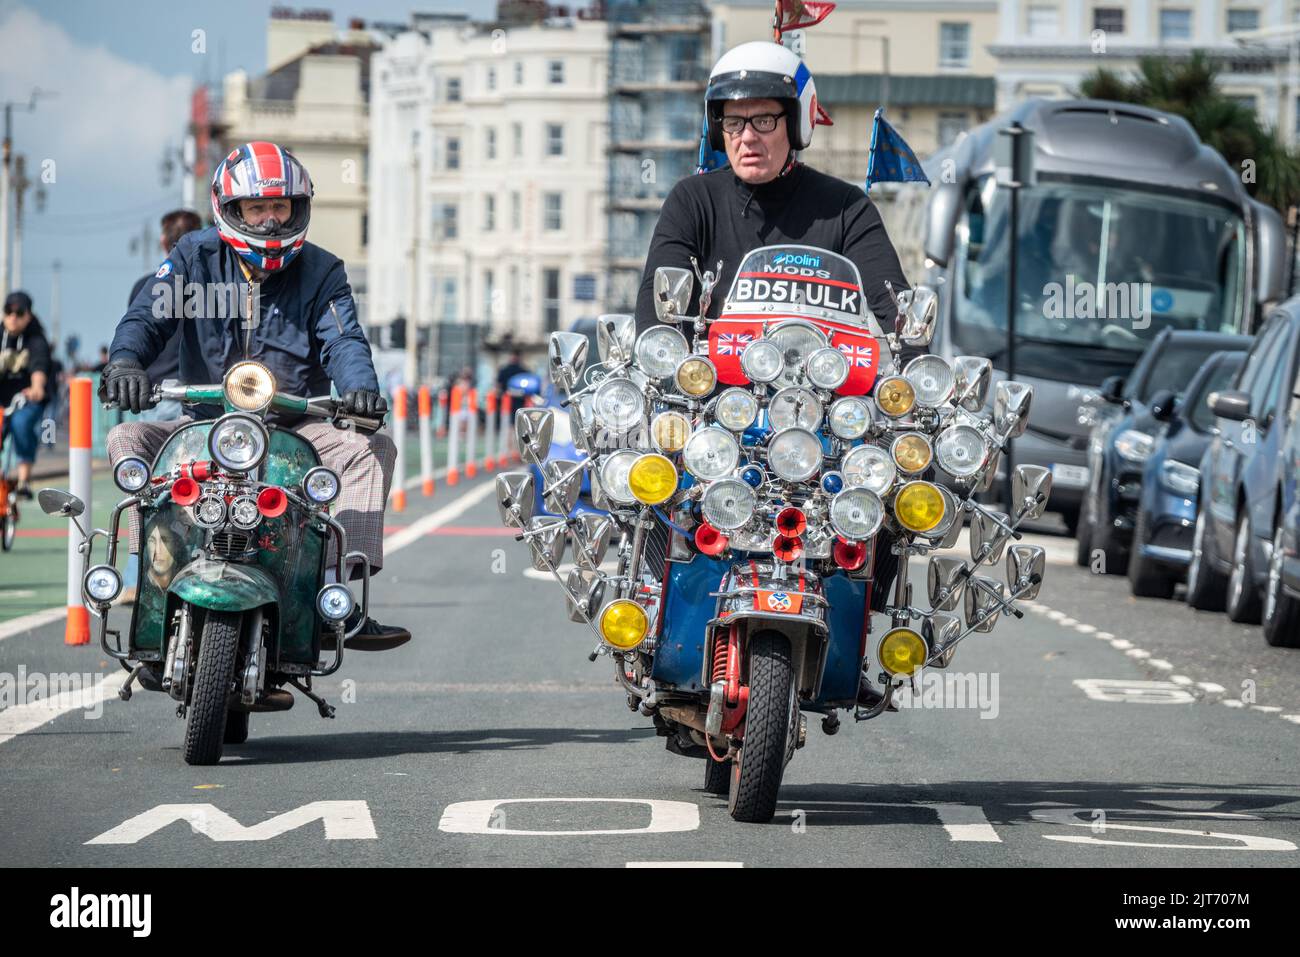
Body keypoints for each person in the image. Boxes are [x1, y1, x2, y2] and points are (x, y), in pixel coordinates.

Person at [633, 41, 915, 708]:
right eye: (733, 122)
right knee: (654, 474)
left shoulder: (844, 209)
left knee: (891, 483)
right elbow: (657, 299)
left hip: (819, 412)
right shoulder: (693, 199)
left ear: (796, 122)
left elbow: (892, 304)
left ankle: (862, 620)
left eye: (763, 120)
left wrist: (907, 346)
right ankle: (648, 608)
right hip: (719, 406)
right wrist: (668, 350)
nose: (747, 136)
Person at [100, 141, 409, 650]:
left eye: (280, 206)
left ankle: (331, 592)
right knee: (129, 437)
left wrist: (359, 390)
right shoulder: (193, 258)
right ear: (232, 209)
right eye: (258, 207)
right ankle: (154, 574)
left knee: (371, 449)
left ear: (298, 208)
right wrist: (126, 361)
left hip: (294, 427)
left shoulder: (323, 271)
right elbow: (146, 316)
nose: (270, 220)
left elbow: (344, 340)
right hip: (202, 424)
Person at [129, 209, 204, 422]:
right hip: (198, 395)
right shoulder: (212, 287)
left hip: (153, 394)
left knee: (146, 451)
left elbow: (136, 335)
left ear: (163, 241)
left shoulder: (143, 288)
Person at [0, 291, 52, 497]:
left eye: (19, 313)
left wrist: (37, 387)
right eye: (8, 312)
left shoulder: (36, 339)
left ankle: (23, 480)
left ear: (28, 315)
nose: (13, 317)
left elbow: (39, 365)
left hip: (26, 399)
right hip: (2, 399)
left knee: (21, 424)